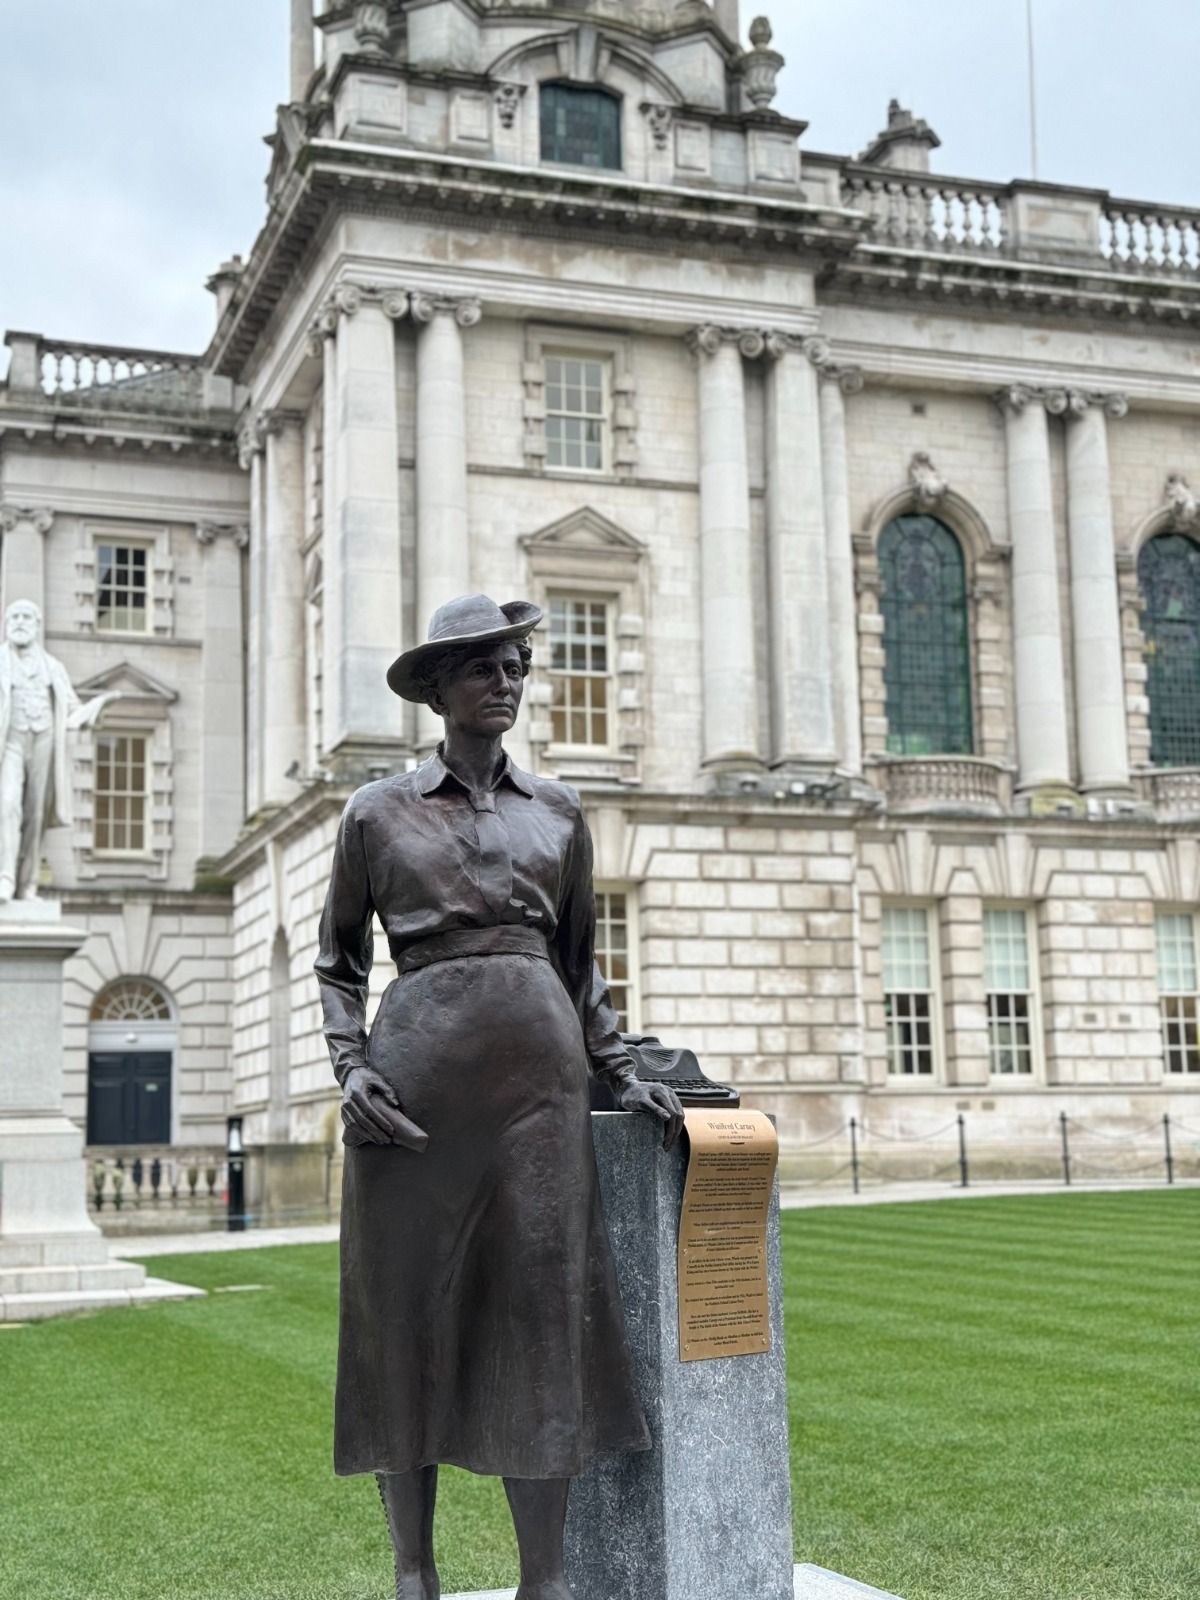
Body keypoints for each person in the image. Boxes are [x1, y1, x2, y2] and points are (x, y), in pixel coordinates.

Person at [314, 594, 682, 1600]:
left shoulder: (558, 810)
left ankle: (544, 1580)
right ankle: (413, 1571)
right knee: (402, 1313)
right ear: (437, 689)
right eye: (482, 666)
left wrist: (621, 1068)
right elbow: (338, 961)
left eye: (516, 666)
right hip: (412, 1088)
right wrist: (351, 1065)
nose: (506, 682)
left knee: (543, 1307)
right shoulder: (375, 811)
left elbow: (580, 964)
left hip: (538, 1085)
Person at [0, 598, 116, 903]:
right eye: (14, 617)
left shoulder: (53, 667)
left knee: (36, 814)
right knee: (8, 804)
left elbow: (72, 711)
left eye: (26, 617)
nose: (19, 622)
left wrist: (96, 707)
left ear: (38, 625)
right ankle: (5, 877)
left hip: (44, 740)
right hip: (10, 742)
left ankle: (28, 884)